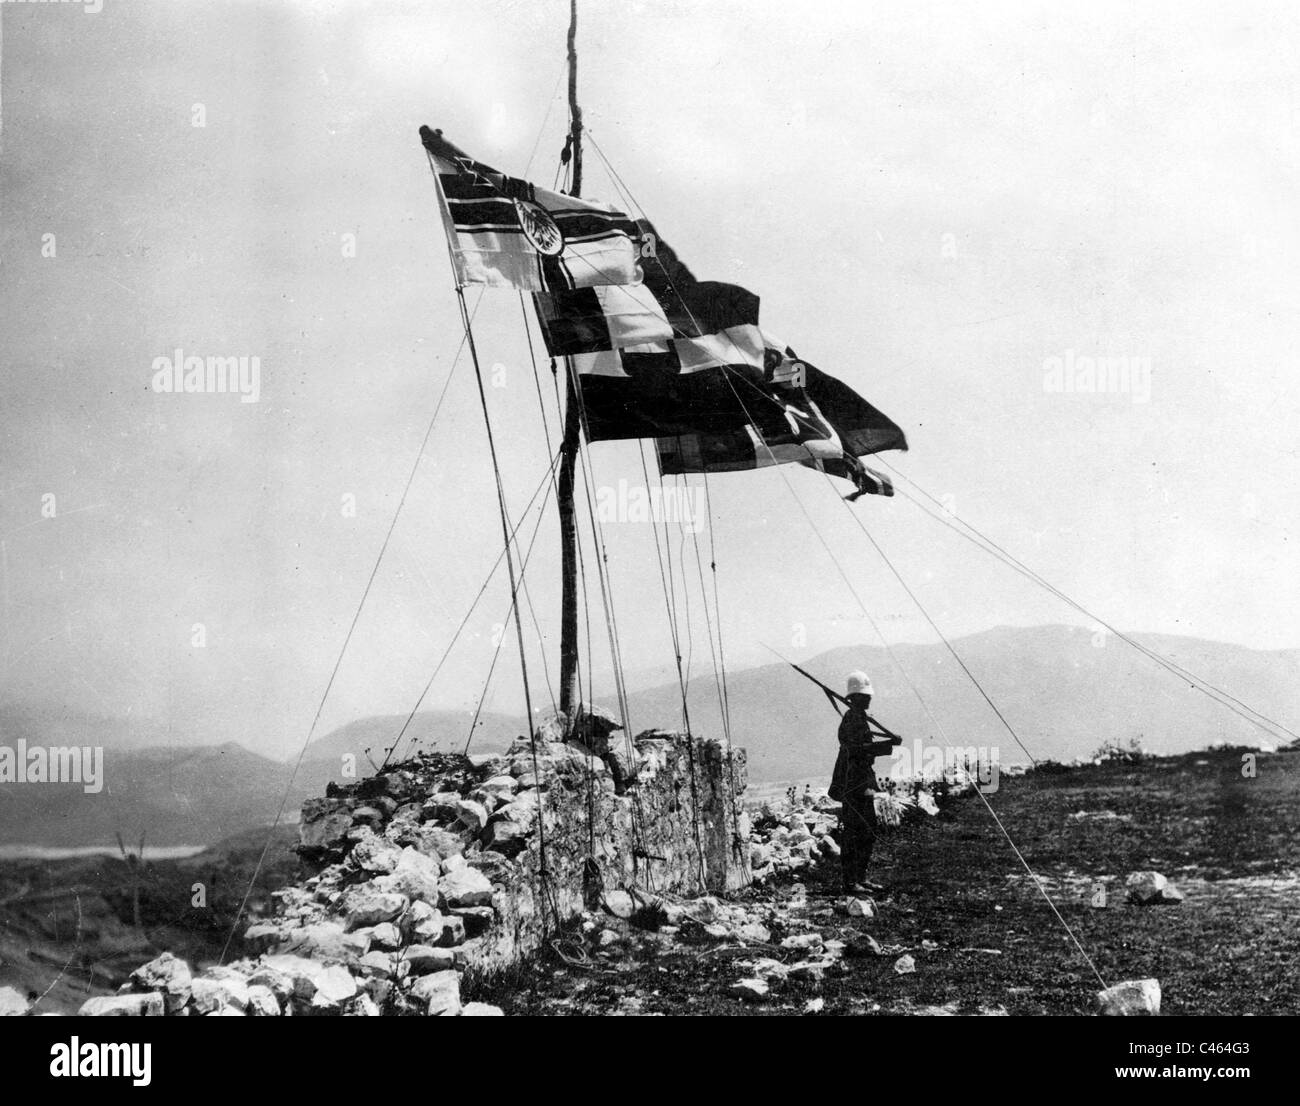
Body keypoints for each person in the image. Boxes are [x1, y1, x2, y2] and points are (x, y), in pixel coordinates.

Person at [829, 671, 899, 896]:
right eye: (864, 696)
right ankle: (851, 882)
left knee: (867, 830)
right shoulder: (852, 719)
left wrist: (887, 744)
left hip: (862, 781)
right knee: (855, 832)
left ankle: (860, 877)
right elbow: (857, 750)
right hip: (853, 782)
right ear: (855, 698)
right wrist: (888, 745)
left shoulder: (858, 717)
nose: (869, 699)